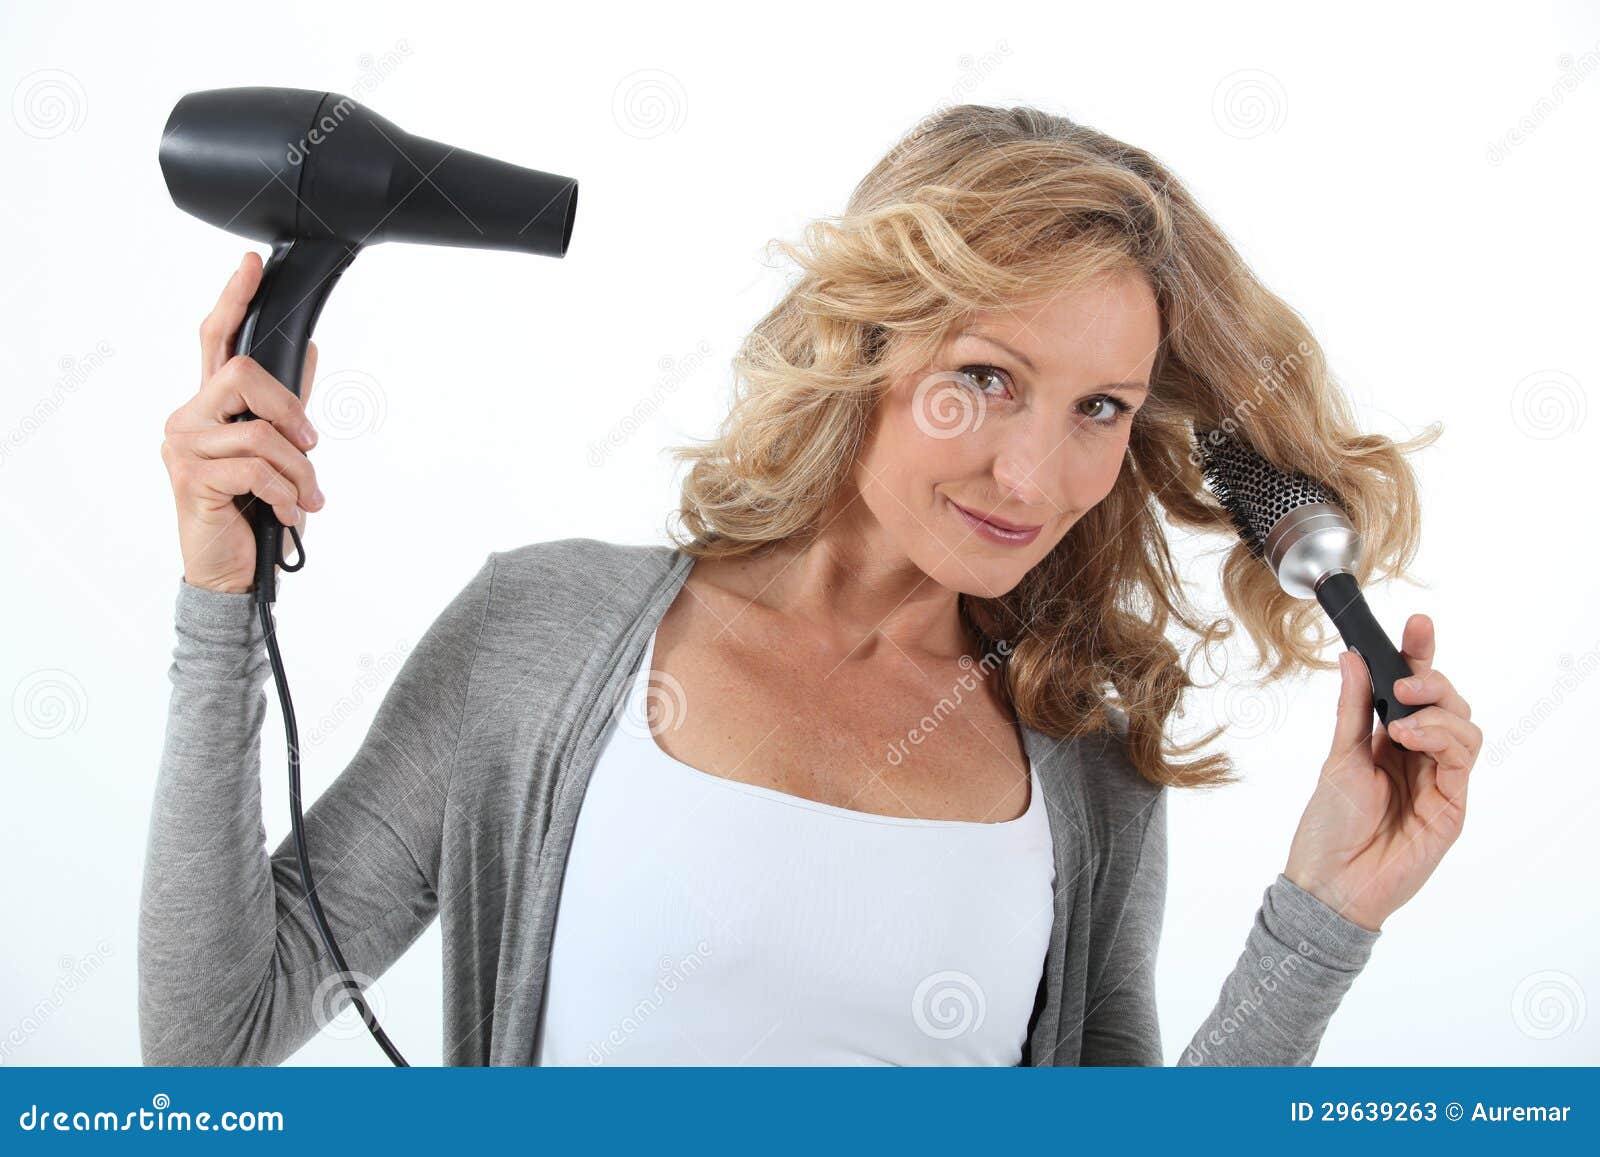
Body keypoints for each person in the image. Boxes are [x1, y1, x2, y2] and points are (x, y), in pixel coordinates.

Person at [143, 104, 1480, 1067]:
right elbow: (211, 1043)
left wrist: (1322, 916)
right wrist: (219, 603)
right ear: (865, 339)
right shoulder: (543, 637)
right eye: (988, 378)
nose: (1033, 470)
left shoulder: (1085, 742)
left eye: (1100, 406)